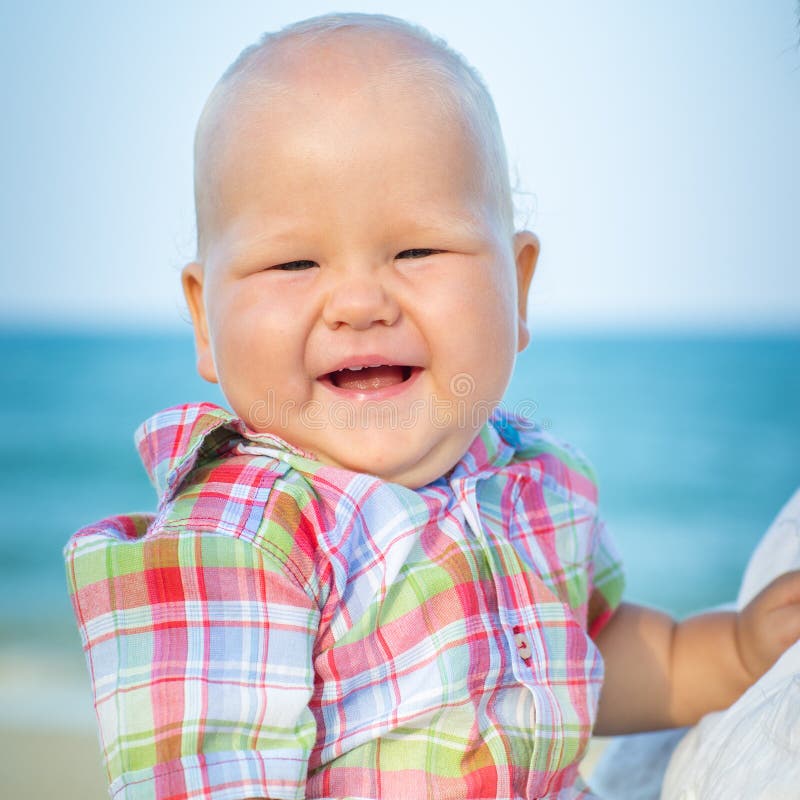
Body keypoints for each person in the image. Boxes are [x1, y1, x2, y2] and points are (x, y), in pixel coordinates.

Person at [64, 13, 800, 800]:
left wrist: (730, 651)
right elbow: (205, 774)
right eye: (293, 261)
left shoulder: (533, 486)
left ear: (516, 288)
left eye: (416, 250)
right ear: (204, 318)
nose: (358, 301)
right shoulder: (246, 539)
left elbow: (583, 661)